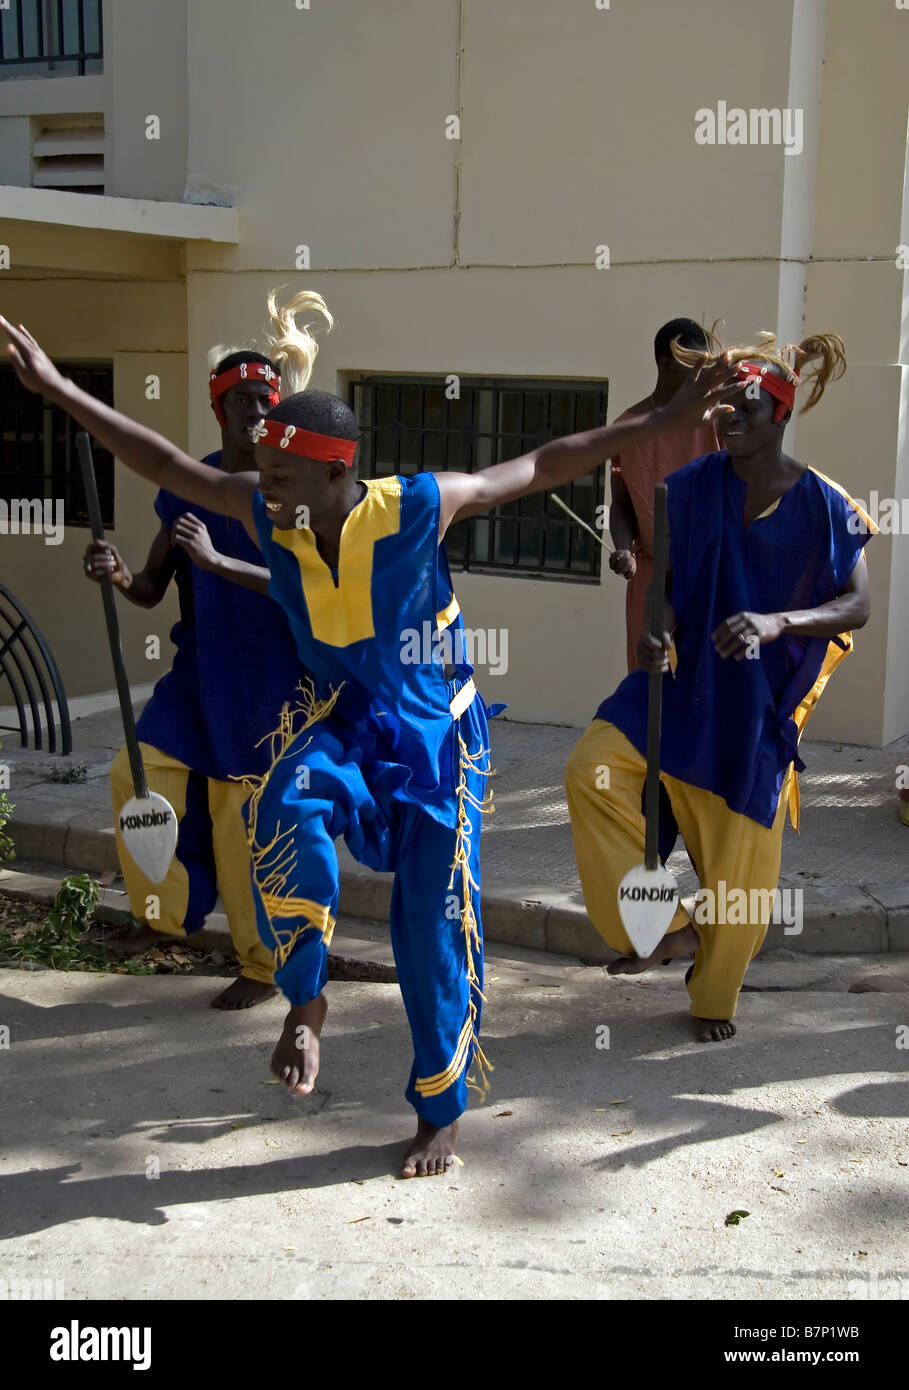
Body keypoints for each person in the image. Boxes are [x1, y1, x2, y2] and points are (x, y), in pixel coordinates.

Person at [0, 312, 738, 1173]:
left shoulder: (418, 506)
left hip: (436, 733)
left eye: (279, 473)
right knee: (281, 803)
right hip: (349, 718)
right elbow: (161, 462)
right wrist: (55, 387)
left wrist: (661, 419)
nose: (258, 485)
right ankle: (304, 1002)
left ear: (336, 470)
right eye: (259, 470)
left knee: (426, 928)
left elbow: (539, 465)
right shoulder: (266, 510)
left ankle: (438, 1107)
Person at [567, 330, 875, 1042]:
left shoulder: (825, 503)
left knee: (741, 898)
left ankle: (709, 996)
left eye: (745, 407)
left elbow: (855, 604)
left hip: (754, 712)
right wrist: (658, 632)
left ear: (780, 414)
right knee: (590, 770)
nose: (728, 419)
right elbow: (665, 588)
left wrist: (777, 621)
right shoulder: (685, 491)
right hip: (678, 692)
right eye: (722, 409)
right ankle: (666, 929)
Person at [88, 290, 332, 1009]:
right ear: (220, 410)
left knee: (242, 830)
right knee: (136, 776)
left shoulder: (291, 493)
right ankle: (169, 915)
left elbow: (310, 594)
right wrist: (118, 573)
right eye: (246, 403)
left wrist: (226, 562)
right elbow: (151, 588)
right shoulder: (190, 486)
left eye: (268, 402)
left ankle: (262, 966)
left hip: (270, 684)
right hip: (198, 676)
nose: (259, 415)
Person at [609, 318, 719, 672]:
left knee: (704, 686)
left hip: (709, 575)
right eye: (692, 365)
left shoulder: (718, 420)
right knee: (649, 689)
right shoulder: (627, 427)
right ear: (666, 362)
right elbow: (622, 503)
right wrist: (624, 548)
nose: (700, 374)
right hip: (652, 578)